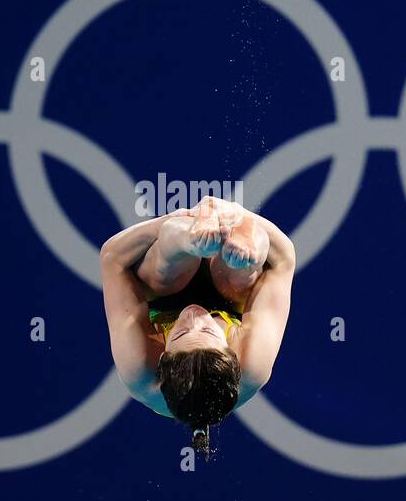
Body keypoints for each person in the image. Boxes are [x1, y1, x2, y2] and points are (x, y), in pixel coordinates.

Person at [100, 195, 295, 457]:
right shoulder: (252, 364)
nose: (193, 316)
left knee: (165, 271)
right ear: (231, 353)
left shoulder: (139, 367)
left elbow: (112, 260)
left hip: (165, 291)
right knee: (246, 263)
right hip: (229, 293)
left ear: (162, 357)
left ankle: (189, 237)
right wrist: (237, 214)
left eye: (178, 333)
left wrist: (175, 221)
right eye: (207, 329)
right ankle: (242, 239)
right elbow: (284, 262)